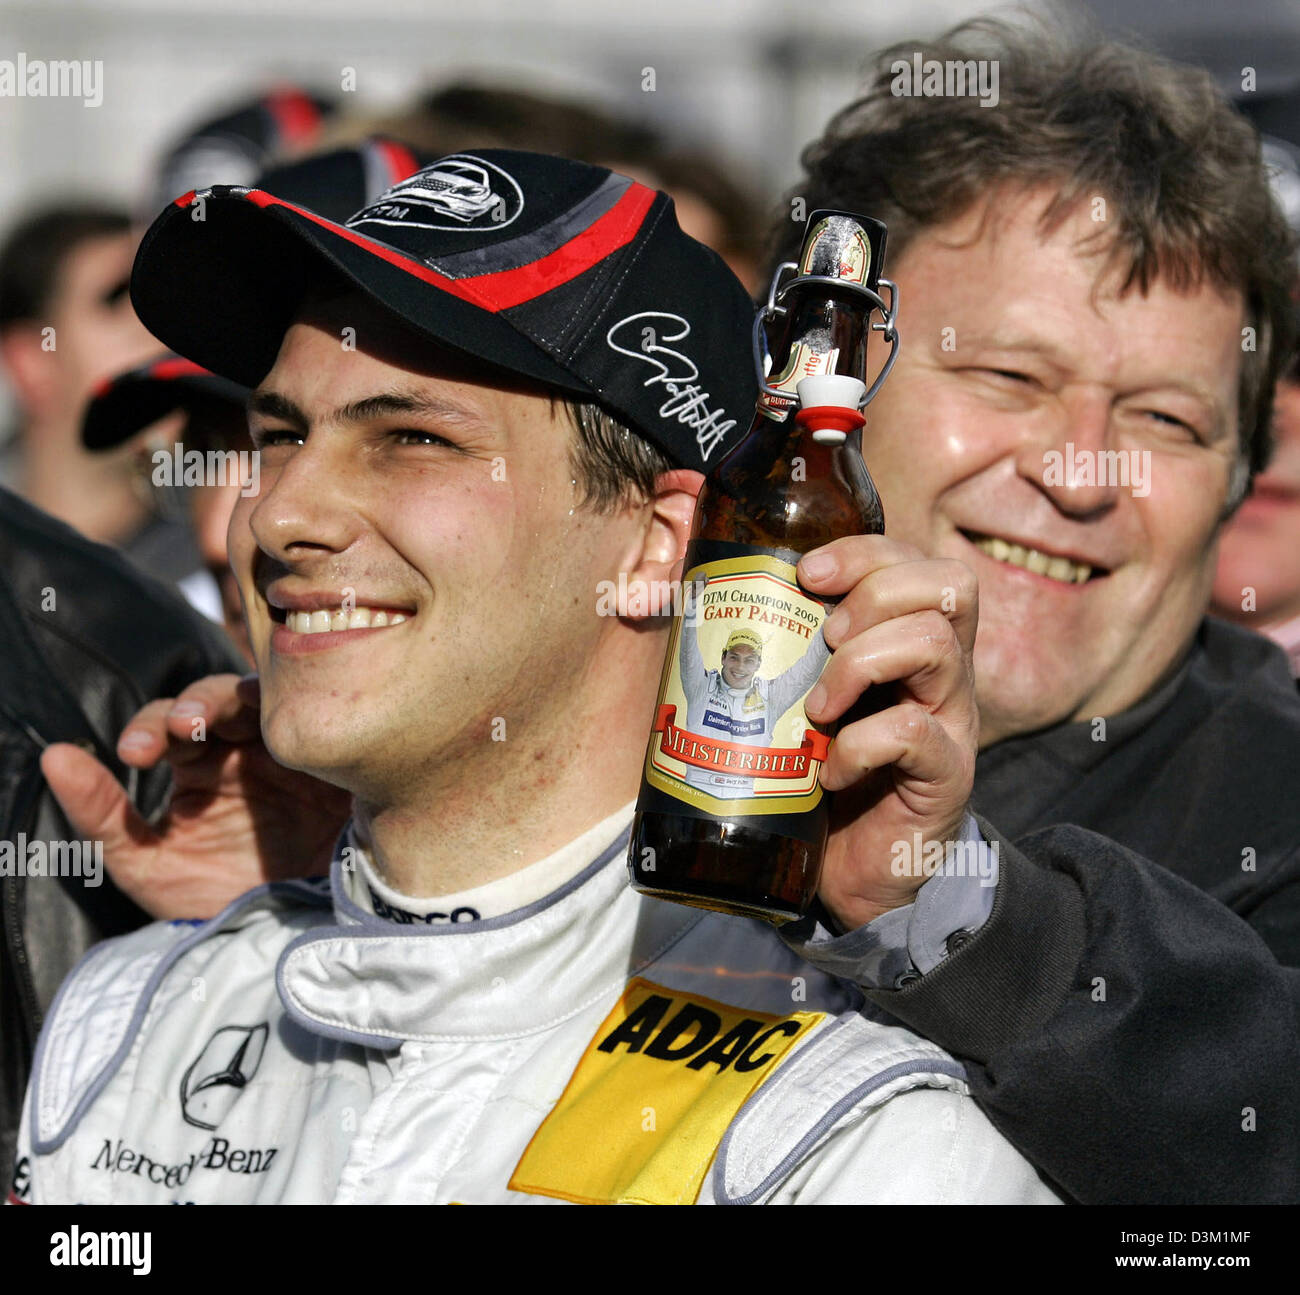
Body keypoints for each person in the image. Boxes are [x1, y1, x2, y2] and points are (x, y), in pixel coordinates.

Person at [13, 149, 1057, 1205]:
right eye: (281, 434)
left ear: (656, 546)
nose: (278, 515)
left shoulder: (850, 1144)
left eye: (411, 439)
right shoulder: (129, 1025)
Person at [762, 16, 1300, 1205]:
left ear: (1236, 481)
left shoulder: (1279, 810)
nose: (1079, 472)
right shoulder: (608, 677)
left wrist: (950, 900)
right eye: (1010, 378)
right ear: (815, 377)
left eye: (1165, 419)